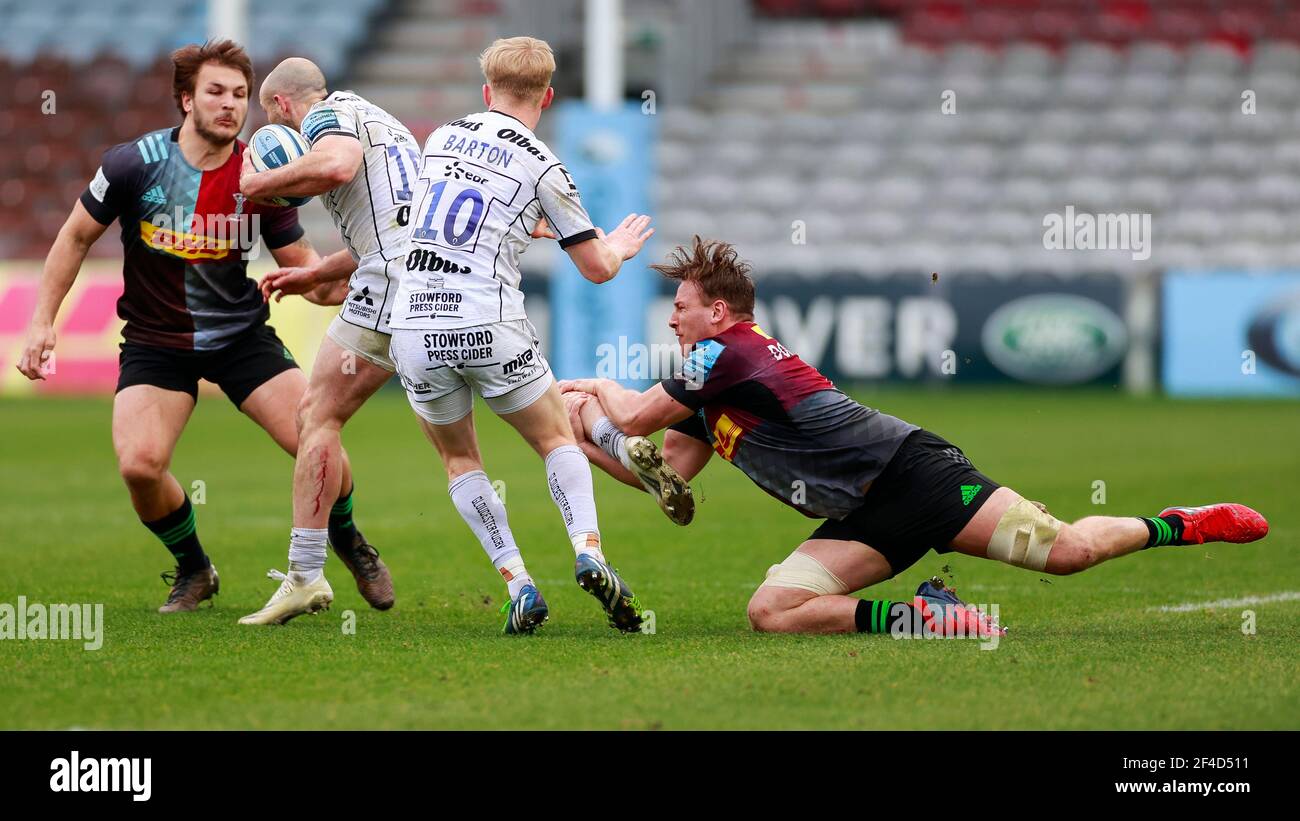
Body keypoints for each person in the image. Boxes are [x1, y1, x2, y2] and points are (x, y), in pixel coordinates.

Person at [560, 236, 1270, 636]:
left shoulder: (725, 355)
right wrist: (581, 441)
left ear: (718, 311)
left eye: (680, 308)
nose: (672, 319)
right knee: (773, 613)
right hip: (862, 515)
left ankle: (1178, 524)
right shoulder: (712, 379)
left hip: (917, 474)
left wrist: (586, 395)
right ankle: (926, 615)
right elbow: (660, 469)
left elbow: (630, 418)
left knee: (1070, 552)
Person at [14, 40, 370, 614]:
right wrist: (41, 322)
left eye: (238, 95)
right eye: (215, 92)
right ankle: (194, 567)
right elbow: (76, 236)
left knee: (317, 436)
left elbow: (307, 273)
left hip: (241, 341)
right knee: (139, 466)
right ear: (186, 99)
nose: (230, 105)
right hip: (157, 344)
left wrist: (366, 278)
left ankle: (349, 539)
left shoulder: (264, 175)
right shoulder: (133, 164)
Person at [387, 36, 677, 634]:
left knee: (461, 458)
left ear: (486, 91)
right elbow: (596, 268)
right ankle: (590, 551)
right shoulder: (543, 162)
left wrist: (521, 224)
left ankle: (518, 584)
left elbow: (444, 211)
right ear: (547, 95)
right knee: (556, 437)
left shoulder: (439, 137)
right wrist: (616, 246)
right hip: (487, 320)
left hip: (414, 321)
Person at [235, 57, 419, 624]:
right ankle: (606, 455)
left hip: (392, 287)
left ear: (283, 107)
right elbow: (395, 228)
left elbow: (335, 166)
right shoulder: (384, 122)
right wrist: (315, 274)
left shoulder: (325, 118)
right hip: (442, 280)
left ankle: (306, 573)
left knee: (316, 416)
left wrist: (256, 183)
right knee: (491, 431)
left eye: (274, 117)